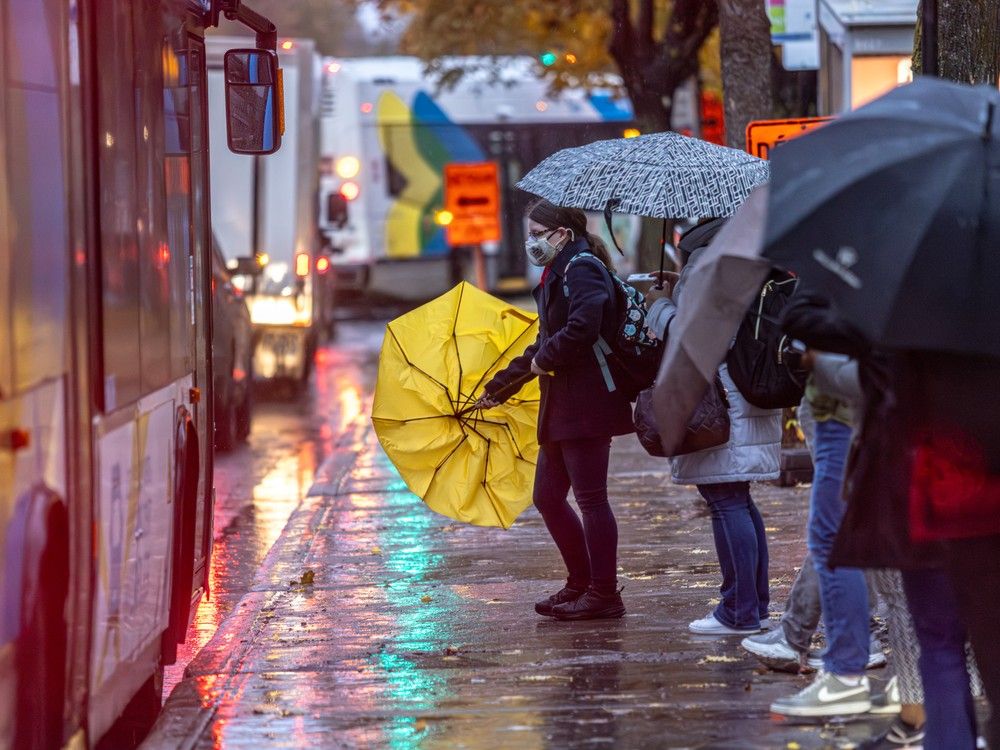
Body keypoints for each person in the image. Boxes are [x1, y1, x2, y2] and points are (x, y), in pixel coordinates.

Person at [476, 199, 634, 621]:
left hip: (586, 401)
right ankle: (580, 582)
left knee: (591, 499)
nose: (532, 242)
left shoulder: (580, 267)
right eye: (529, 234)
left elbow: (583, 327)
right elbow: (545, 338)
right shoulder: (559, 271)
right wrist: (502, 385)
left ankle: (603, 593)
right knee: (547, 497)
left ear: (561, 233)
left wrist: (544, 360)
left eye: (537, 234)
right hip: (562, 403)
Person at [644, 219, 783, 635]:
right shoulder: (744, 256)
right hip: (741, 396)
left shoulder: (709, 261)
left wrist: (658, 304)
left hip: (719, 402)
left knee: (725, 499)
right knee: (736, 498)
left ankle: (737, 611)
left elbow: (697, 335)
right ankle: (752, 606)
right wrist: (680, 286)